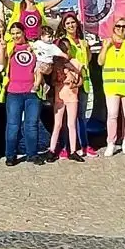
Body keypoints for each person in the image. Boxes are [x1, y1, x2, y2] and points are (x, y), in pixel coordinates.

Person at [0, 22, 42, 165]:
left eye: (18, 33)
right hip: (14, 92)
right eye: (13, 33)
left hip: (32, 92)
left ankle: (32, 154)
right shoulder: (10, 47)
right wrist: (2, 49)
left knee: (31, 124)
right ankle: (10, 155)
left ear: (24, 33)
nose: (16, 36)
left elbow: (43, 63)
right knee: (13, 125)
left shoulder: (34, 47)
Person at [54, 12, 97, 157]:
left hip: (84, 81)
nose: (71, 25)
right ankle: (67, 146)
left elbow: (88, 60)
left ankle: (84, 144)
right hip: (69, 83)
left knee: (82, 115)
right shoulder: (63, 42)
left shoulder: (82, 42)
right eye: (68, 24)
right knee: (68, 118)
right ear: (64, 26)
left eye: (73, 23)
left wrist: (88, 49)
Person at [99, 18, 125, 157]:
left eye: (124, 26)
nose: (121, 29)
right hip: (111, 84)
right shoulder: (107, 42)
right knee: (112, 115)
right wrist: (105, 47)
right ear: (114, 27)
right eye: (118, 26)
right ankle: (110, 142)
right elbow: (100, 61)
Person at [46, 31, 85, 162]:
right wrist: (61, 80)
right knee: (57, 124)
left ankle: (73, 150)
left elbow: (81, 80)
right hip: (60, 96)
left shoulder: (75, 62)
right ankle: (52, 150)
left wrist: (74, 81)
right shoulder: (56, 65)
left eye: (67, 49)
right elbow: (52, 82)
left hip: (72, 96)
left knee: (71, 124)